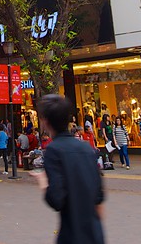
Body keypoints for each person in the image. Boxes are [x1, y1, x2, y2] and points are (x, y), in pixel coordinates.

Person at [34, 94, 104, 244]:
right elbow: (98, 197)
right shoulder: (86, 148)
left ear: (45, 121)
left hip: (72, 235)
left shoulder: (54, 150)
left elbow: (56, 199)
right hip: (95, 233)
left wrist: (43, 181)